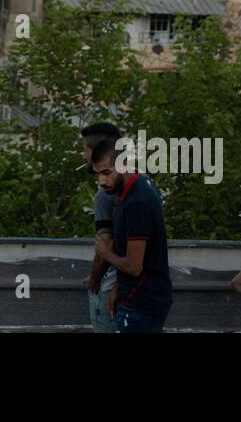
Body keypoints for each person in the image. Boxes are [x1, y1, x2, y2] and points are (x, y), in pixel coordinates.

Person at [89, 137, 173, 332]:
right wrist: (119, 288)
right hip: (138, 296)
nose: (101, 181)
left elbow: (134, 267)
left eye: (106, 173)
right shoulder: (136, 185)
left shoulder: (137, 202)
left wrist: (105, 253)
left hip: (142, 302)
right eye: (97, 174)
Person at [81, 123, 124, 333]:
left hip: (110, 287)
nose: (83, 156)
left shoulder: (105, 196)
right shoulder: (138, 187)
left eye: (86, 150)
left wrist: (94, 280)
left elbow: (105, 245)